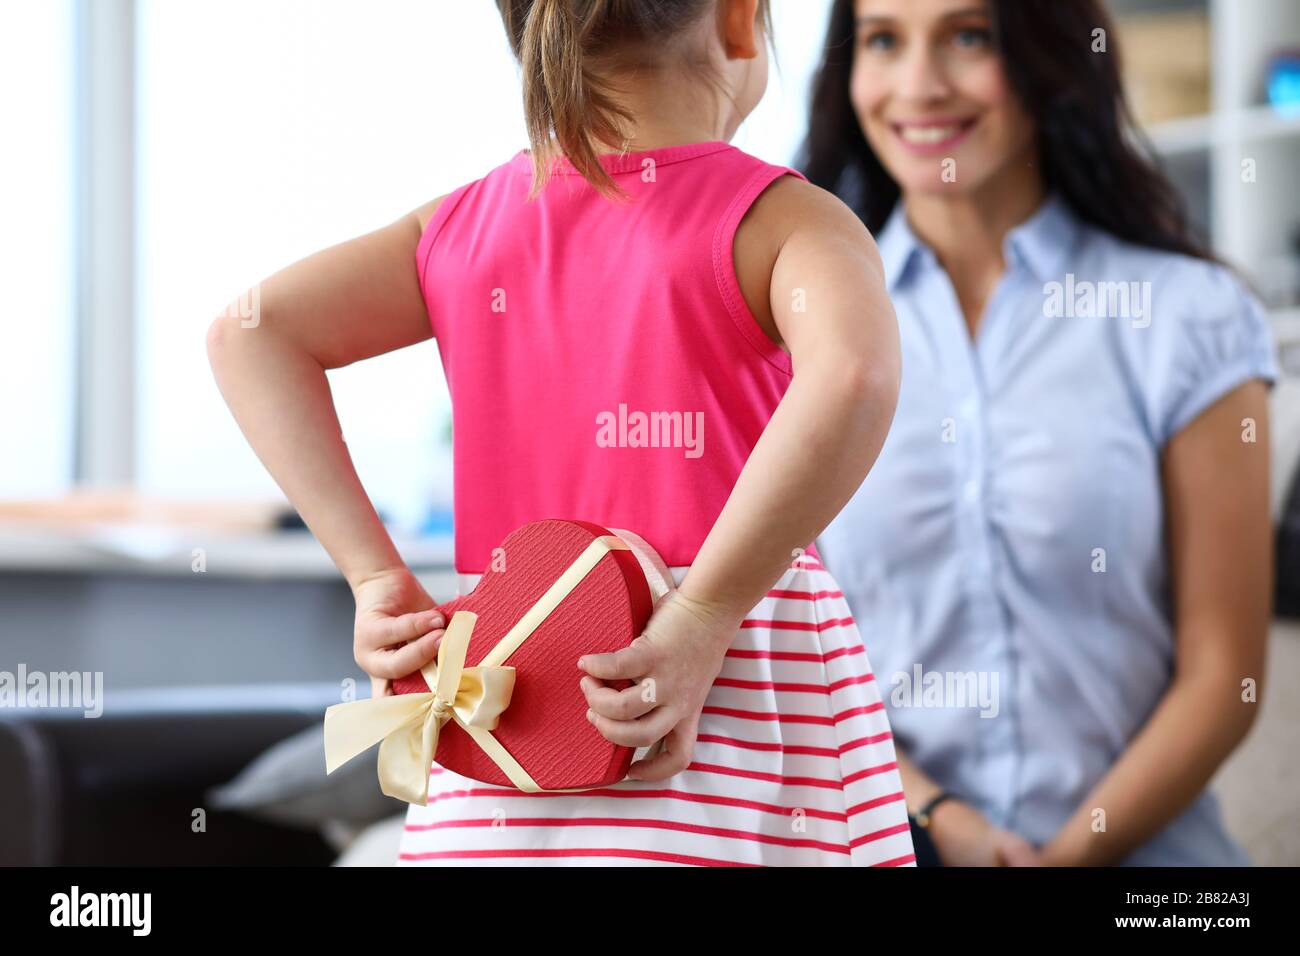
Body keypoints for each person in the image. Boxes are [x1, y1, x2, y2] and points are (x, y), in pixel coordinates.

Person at [208, 0, 914, 866]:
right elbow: (855, 375)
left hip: (507, 711)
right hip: (733, 716)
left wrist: (375, 575)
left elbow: (249, 333)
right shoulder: (783, 220)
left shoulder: (459, 231)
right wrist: (705, 610)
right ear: (739, 22)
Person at [804, 0, 1277, 865]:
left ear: (1045, 55)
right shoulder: (802, 336)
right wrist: (944, 819)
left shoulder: (1188, 315)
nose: (920, 85)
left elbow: (1226, 677)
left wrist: (1067, 860)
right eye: (883, 40)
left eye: (969, 35)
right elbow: (809, 665)